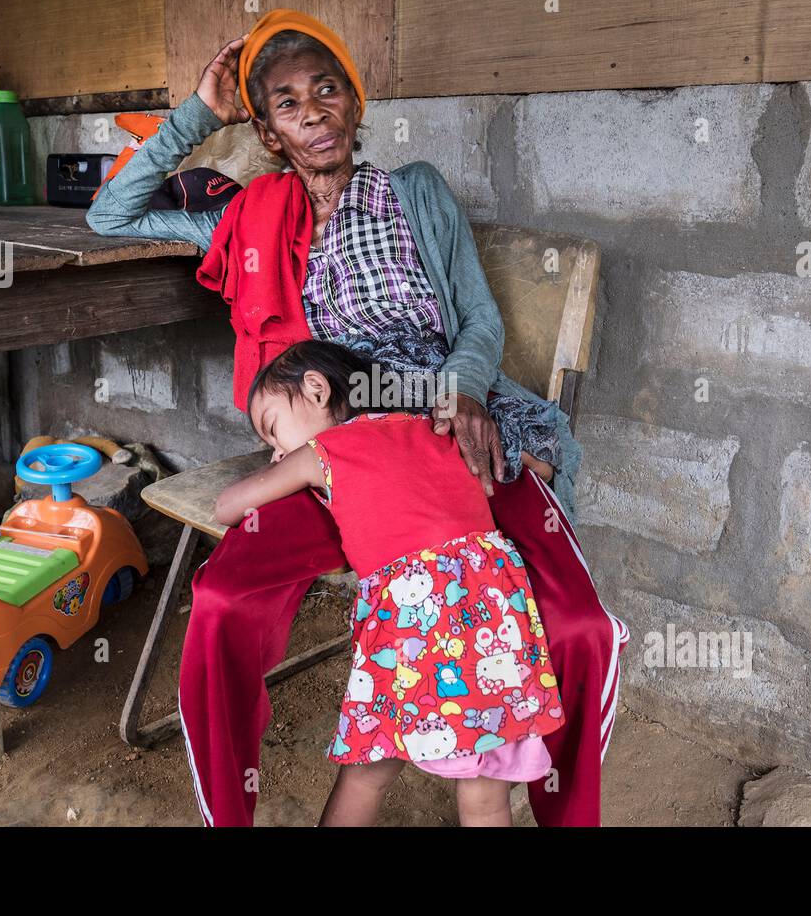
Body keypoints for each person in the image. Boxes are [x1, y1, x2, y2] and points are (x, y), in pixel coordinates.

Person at [87, 8, 628, 827]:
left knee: (581, 625)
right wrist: (201, 111)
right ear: (267, 130)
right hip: (340, 451)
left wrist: (462, 394)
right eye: (287, 103)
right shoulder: (250, 219)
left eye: (326, 90)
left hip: (450, 427)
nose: (312, 112)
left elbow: (480, 321)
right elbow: (110, 215)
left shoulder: (416, 191)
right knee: (227, 599)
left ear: (353, 102)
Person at [216, 340, 567, 826]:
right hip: (493, 617)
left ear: (316, 390)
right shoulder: (441, 429)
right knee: (486, 794)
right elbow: (540, 467)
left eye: (273, 430)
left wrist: (282, 471)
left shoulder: (324, 452)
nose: (277, 451)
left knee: (368, 769)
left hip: (410, 626)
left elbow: (228, 507)